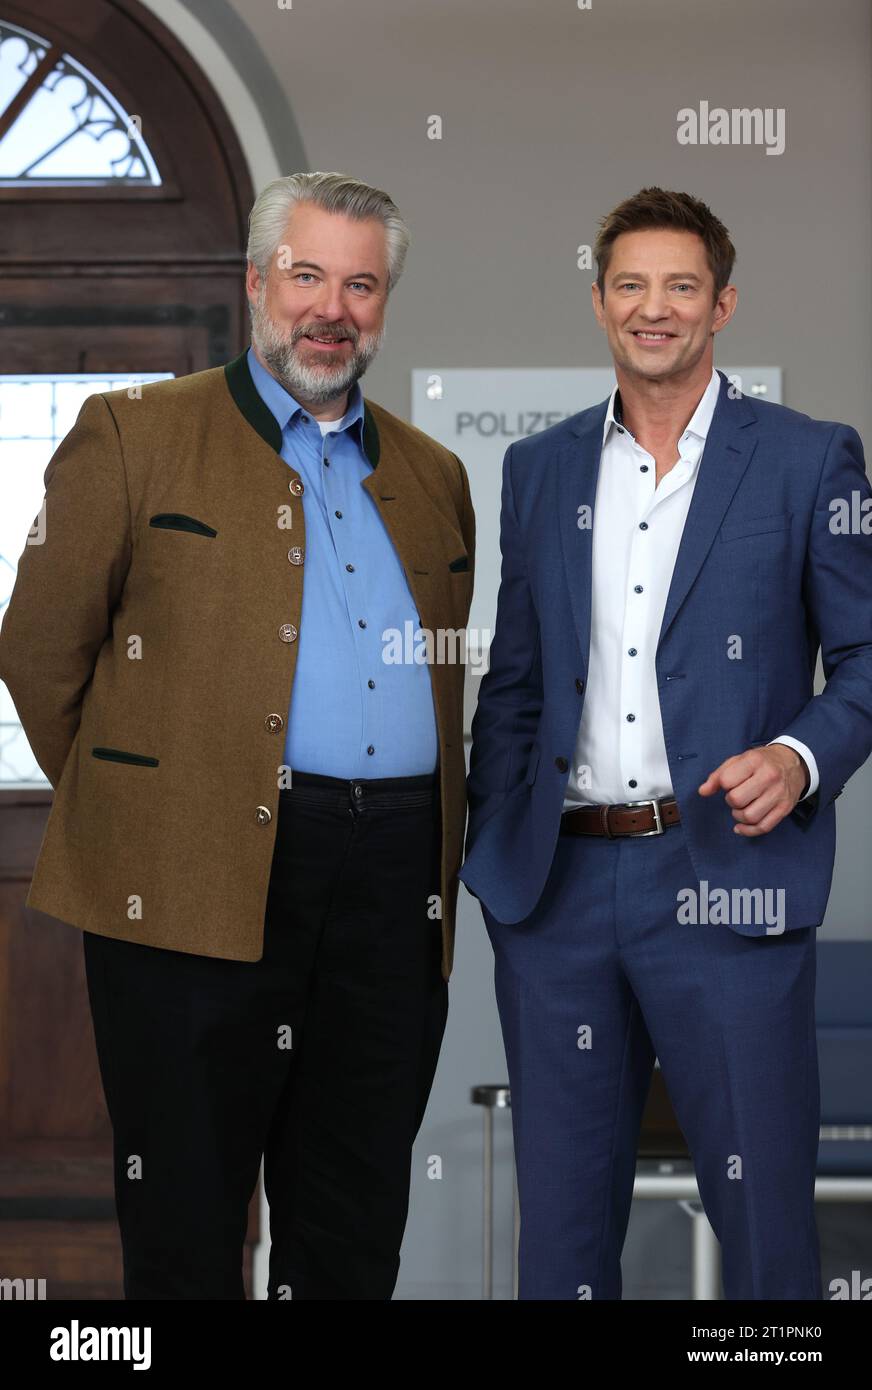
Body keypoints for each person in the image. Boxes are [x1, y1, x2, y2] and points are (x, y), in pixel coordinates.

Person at [0, 171, 475, 1300]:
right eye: (307, 275)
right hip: (189, 873)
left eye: (360, 284)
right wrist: (150, 801)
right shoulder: (131, 432)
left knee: (353, 1218)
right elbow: (37, 649)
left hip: (390, 888)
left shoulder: (432, 473)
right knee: (185, 1217)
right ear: (256, 283)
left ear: (383, 305)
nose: (332, 307)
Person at [459, 186, 872, 1300]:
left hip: (727, 882)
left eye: (679, 286)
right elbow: (517, 682)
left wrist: (795, 758)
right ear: (598, 302)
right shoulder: (538, 469)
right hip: (555, 895)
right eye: (629, 285)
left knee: (766, 1235)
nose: (654, 308)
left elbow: (865, 658)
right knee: (559, 1238)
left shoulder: (805, 459)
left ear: (721, 304)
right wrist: (496, 863)